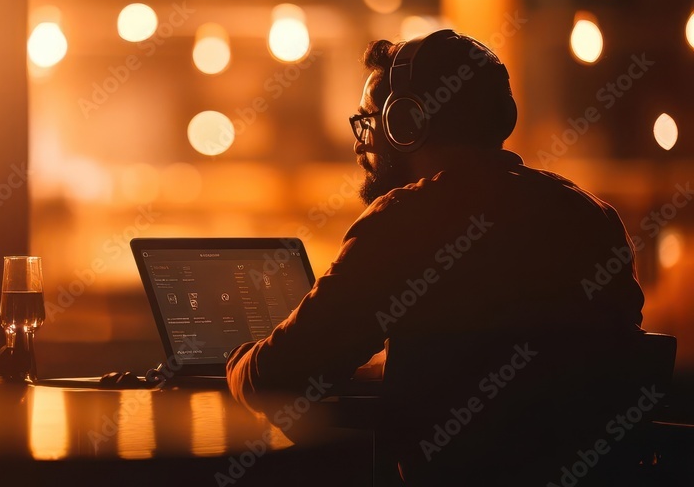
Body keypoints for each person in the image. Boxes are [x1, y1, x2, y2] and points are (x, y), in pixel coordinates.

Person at [225, 29, 647, 485]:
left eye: (369, 121)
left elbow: (279, 380)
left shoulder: (407, 219)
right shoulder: (592, 218)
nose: (358, 143)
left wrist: (234, 363)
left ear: (405, 123)